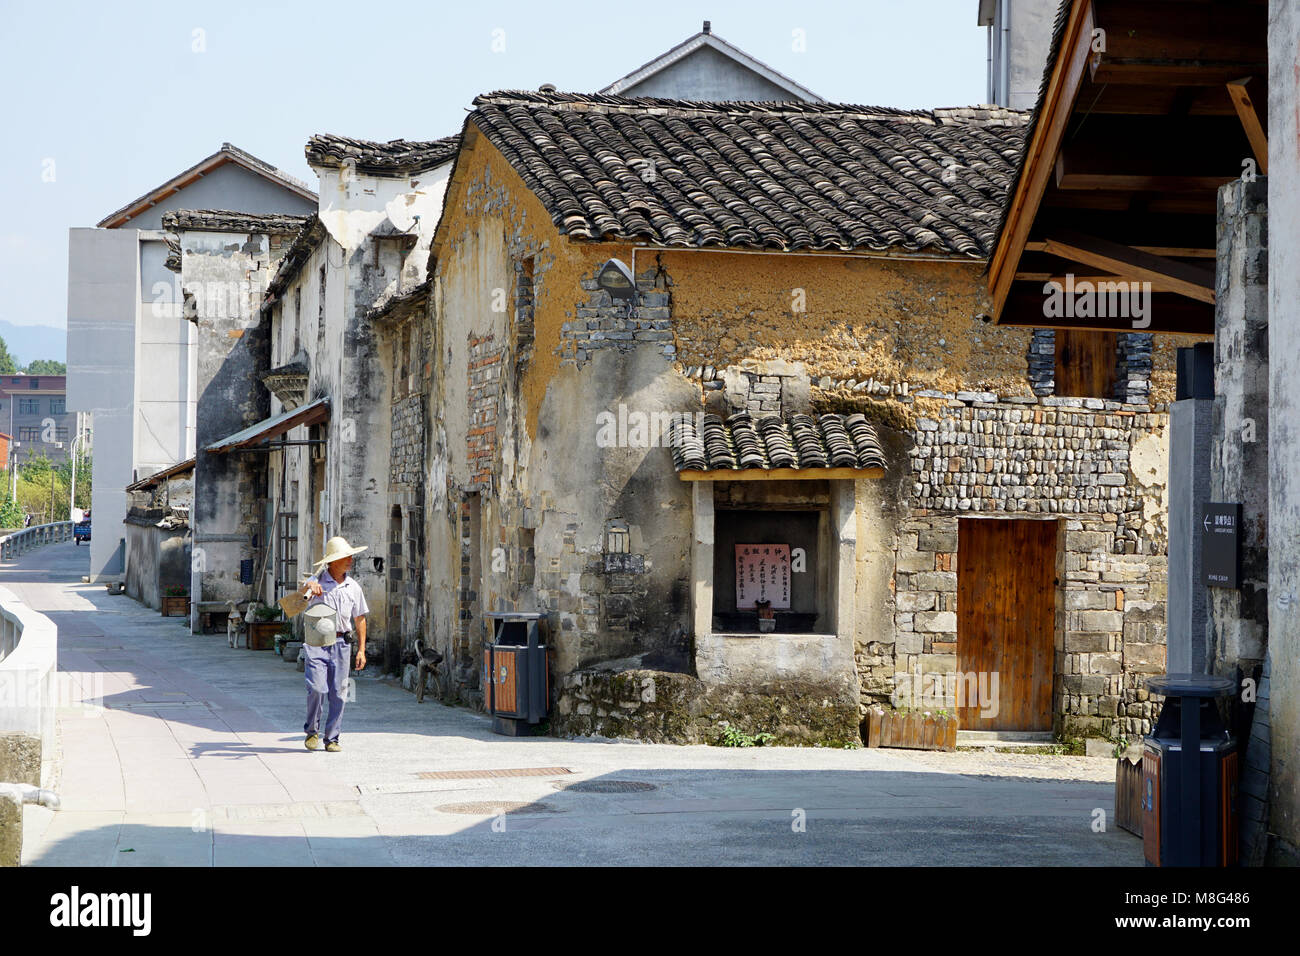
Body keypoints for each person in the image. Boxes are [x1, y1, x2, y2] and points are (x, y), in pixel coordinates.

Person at [296, 536, 369, 752]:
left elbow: (360, 619)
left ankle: (332, 738)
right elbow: (297, 603)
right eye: (345, 557)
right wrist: (306, 587)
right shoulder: (315, 584)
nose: (350, 560)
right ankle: (312, 732)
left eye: (349, 557)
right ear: (333, 561)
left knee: (338, 692)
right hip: (317, 641)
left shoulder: (353, 587)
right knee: (317, 688)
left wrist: (362, 650)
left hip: (342, 643)